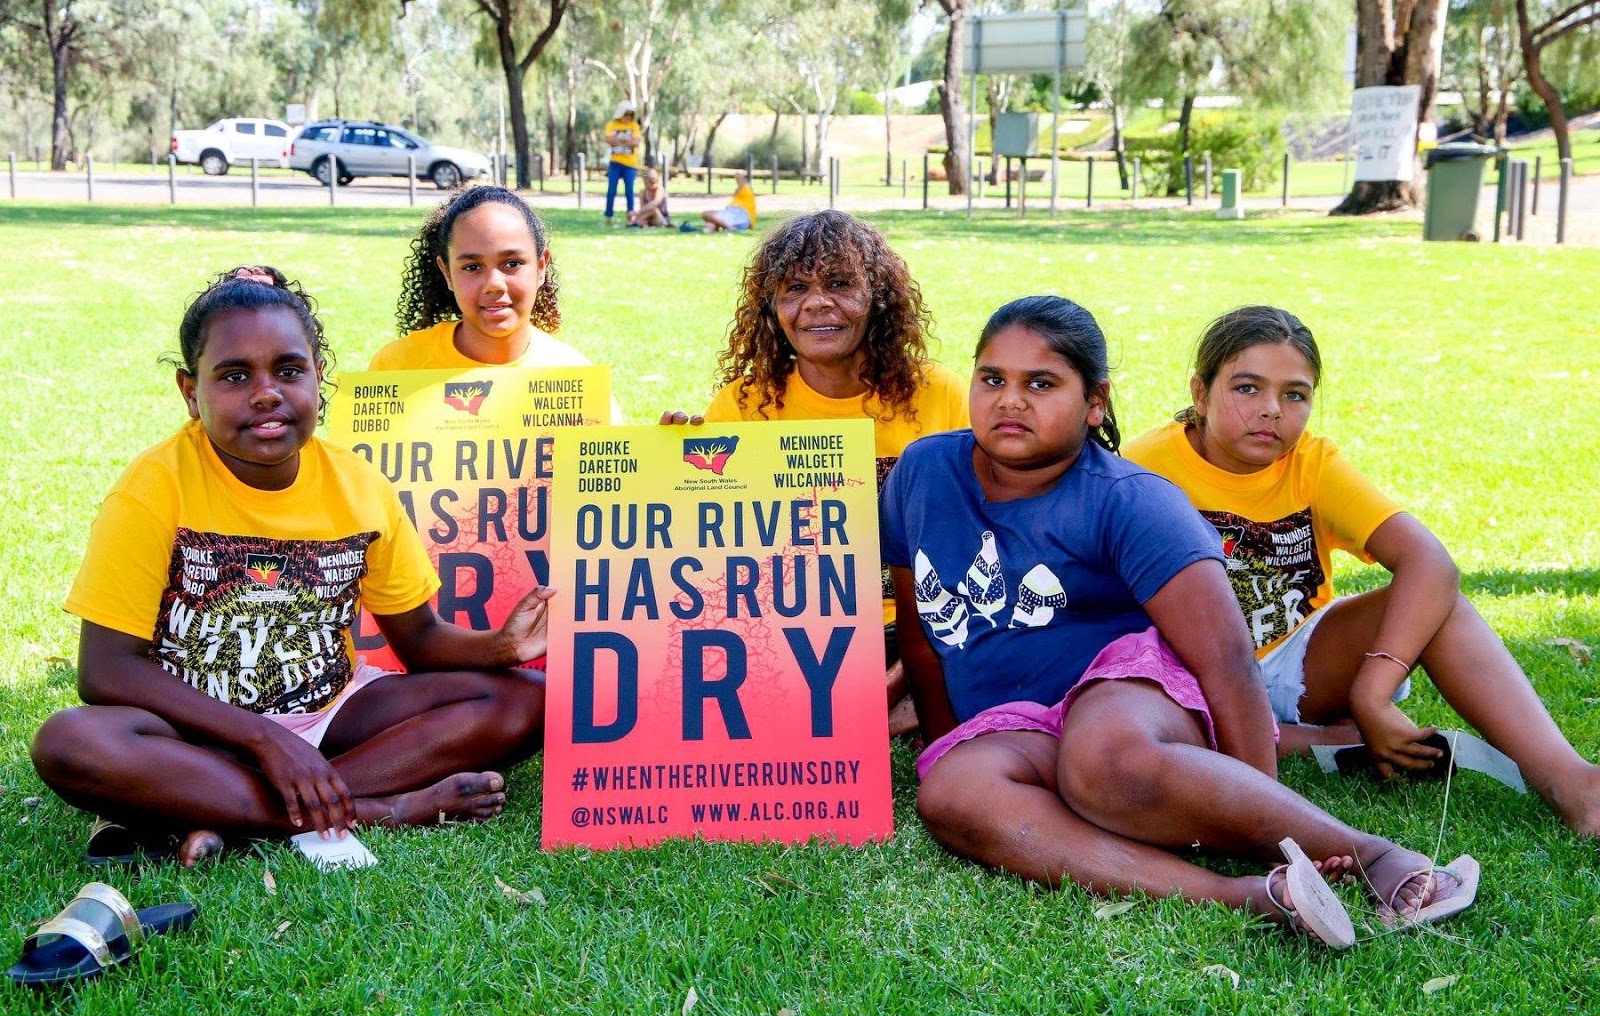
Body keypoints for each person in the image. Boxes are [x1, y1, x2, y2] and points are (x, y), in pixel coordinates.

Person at [884, 295, 1478, 945]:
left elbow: (1228, 663)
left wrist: (1269, 825)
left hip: (1133, 695)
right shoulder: (923, 472)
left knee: (1100, 754)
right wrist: (945, 739)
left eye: (1042, 383)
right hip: (1018, 721)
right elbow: (919, 629)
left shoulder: (1132, 501)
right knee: (951, 792)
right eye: (993, 378)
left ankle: (1373, 854)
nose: (1011, 400)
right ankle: (1248, 898)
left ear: (1095, 403)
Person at [31, 267, 555, 867]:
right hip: (194, 731)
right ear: (188, 391)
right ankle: (381, 810)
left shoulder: (359, 486)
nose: (265, 393)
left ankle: (223, 813)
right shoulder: (154, 488)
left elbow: (422, 640)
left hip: (328, 713)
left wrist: (502, 648)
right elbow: (106, 672)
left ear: (318, 377)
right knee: (71, 740)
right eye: (233, 376)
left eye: (288, 369)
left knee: (526, 700)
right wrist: (263, 738)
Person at [1123, 304, 1600, 836]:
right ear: (1199, 393)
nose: (1272, 411)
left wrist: (1373, 687)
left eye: (1295, 395)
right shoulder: (1143, 467)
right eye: (1247, 388)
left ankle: (1572, 781)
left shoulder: (1313, 463)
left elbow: (1430, 562)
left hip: (1294, 658)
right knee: (1132, 713)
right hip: (1189, 672)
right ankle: (1323, 740)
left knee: (1442, 606)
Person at [671, 210, 969, 737]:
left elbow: (979, 534)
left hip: (919, 625)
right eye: (795, 289)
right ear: (772, 307)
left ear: (877, 296)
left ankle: (905, 695)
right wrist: (670, 465)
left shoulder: (939, 393)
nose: (816, 304)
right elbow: (708, 555)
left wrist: (903, 674)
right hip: (795, 629)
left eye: (838, 284)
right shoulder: (745, 403)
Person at [372, 185, 586, 372]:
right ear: (447, 273)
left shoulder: (574, 375)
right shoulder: (396, 367)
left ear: (541, 267)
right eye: (472, 267)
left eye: (512, 264)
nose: (494, 284)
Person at [603, 101, 642, 227]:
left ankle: (630, 217)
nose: (628, 117)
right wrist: (626, 140)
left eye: (631, 115)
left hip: (630, 164)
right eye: (626, 114)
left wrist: (618, 140)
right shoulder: (612, 124)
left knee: (629, 191)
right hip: (615, 162)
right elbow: (609, 139)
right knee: (611, 191)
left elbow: (635, 142)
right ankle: (608, 216)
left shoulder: (634, 125)